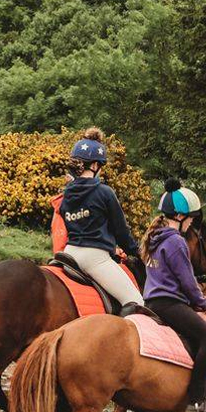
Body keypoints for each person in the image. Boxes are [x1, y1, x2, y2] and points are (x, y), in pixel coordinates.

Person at [143, 180, 206, 412]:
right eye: (190, 218)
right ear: (179, 216)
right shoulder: (176, 241)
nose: (191, 222)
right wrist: (204, 305)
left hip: (151, 302)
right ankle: (197, 402)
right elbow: (188, 282)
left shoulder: (153, 237)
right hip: (170, 304)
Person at [58, 128, 145, 314]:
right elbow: (121, 231)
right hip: (95, 259)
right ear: (96, 165)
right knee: (136, 302)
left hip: (69, 253)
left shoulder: (66, 194)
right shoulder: (104, 192)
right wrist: (136, 252)